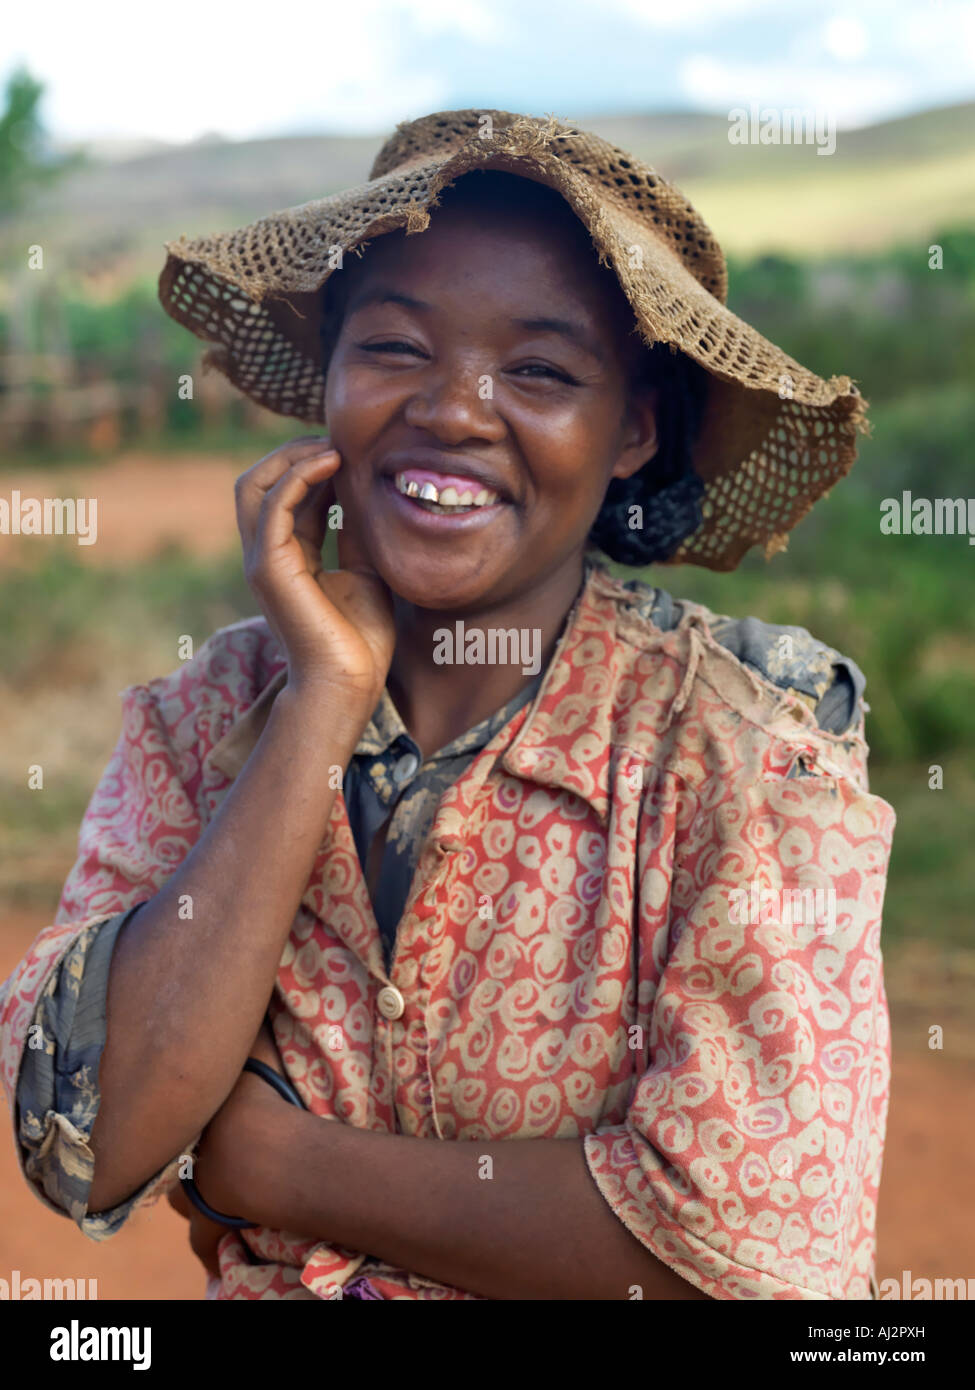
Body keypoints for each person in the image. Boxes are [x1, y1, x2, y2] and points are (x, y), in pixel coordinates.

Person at [0, 110, 894, 1301]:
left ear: (630, 429)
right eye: (395, 348)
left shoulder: (744, 745)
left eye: (538, 370)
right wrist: (320, 699)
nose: (457, 410)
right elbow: (89, 1142)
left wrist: (282, 1162)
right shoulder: (205, 717)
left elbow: (754, 1253)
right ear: (328, 378)